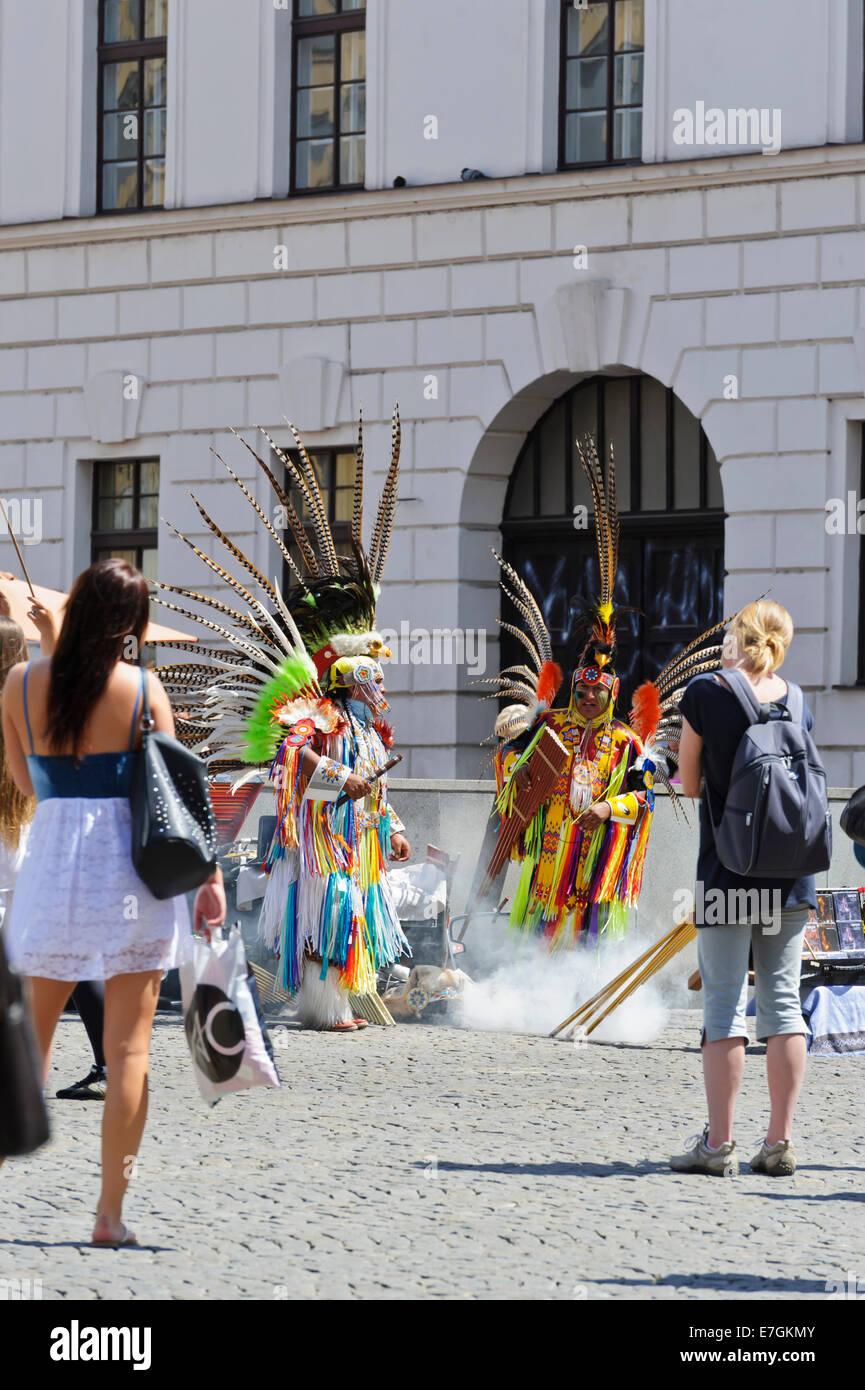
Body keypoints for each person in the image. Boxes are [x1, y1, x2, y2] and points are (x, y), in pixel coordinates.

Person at [150, 406, 411, 1032]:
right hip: (321, 840)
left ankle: (340, 1002)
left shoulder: (367, 730)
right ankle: (323, 1007)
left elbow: (375, 779)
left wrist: (393, 823)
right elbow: (292, 758)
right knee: (330, 910)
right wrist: (335, 778)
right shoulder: (315, 717)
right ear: (348, 678)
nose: (380, 685)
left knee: (356, 913)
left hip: (359, 840)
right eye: (370, 675)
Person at [1, 558, 225, 1245]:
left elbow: (23, 782)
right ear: (127, 623)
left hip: (51, 865)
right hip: (128, 873)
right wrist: (209, 881)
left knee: (22, 1048)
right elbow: (178, 792)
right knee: (128, 1052)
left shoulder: (19, 682)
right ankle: (109, 1215)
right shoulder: (141, 687)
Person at [670, 600, 815, 1178]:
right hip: (793, 874)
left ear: (738, 636)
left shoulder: (705, 693)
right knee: (783, 1004)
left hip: (728, 871)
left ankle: (718, 1146)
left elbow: (685, 784)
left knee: (723, 1004)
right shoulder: (799, 699)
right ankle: (778, 1142)